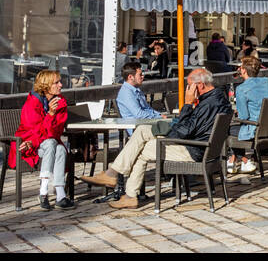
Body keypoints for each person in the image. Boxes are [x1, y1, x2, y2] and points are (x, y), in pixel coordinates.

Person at [82, 67, 232, 208]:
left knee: (141, 150)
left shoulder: (206, 104)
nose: (187, 89)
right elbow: (189, 127)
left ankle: (125, 190)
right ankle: (116, 178)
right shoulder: (218, 98)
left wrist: (187, 104)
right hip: (204, 148)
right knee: (142, 131)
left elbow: (182, 132)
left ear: (199, 85)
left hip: (194, 150)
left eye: (189, 86)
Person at [10, 69, 74, 211]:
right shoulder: (32, 103)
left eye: (60, 82)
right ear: (46, 85)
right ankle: (45, 192)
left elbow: (53, 132)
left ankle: (59, 195)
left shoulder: (61, 102)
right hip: (27, 144)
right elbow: (34, 131)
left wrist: (51, 114)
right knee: (53, 144)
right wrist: (50, 114)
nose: (61, 85)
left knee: (59, 148)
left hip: (41, 142)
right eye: (56, 82)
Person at [228, 56, 268, 174]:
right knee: (234, 128)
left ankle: (243, 160)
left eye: (240, 67)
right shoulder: (265, 82)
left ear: (244, 70)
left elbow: (244, 117)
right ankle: (235, 160)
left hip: (254, 128)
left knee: (226, 129)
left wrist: (237, 110)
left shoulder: (241, 89)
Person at [116, 62, 162, 132]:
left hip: (146, 124)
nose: (143, 76)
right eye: (140, 75)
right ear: (130, 77)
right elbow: (139, 114)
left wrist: (160, 115)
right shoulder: (127, 93)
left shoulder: (136, 90)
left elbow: (148, 109)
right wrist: (159, 117)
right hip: (138, 128)